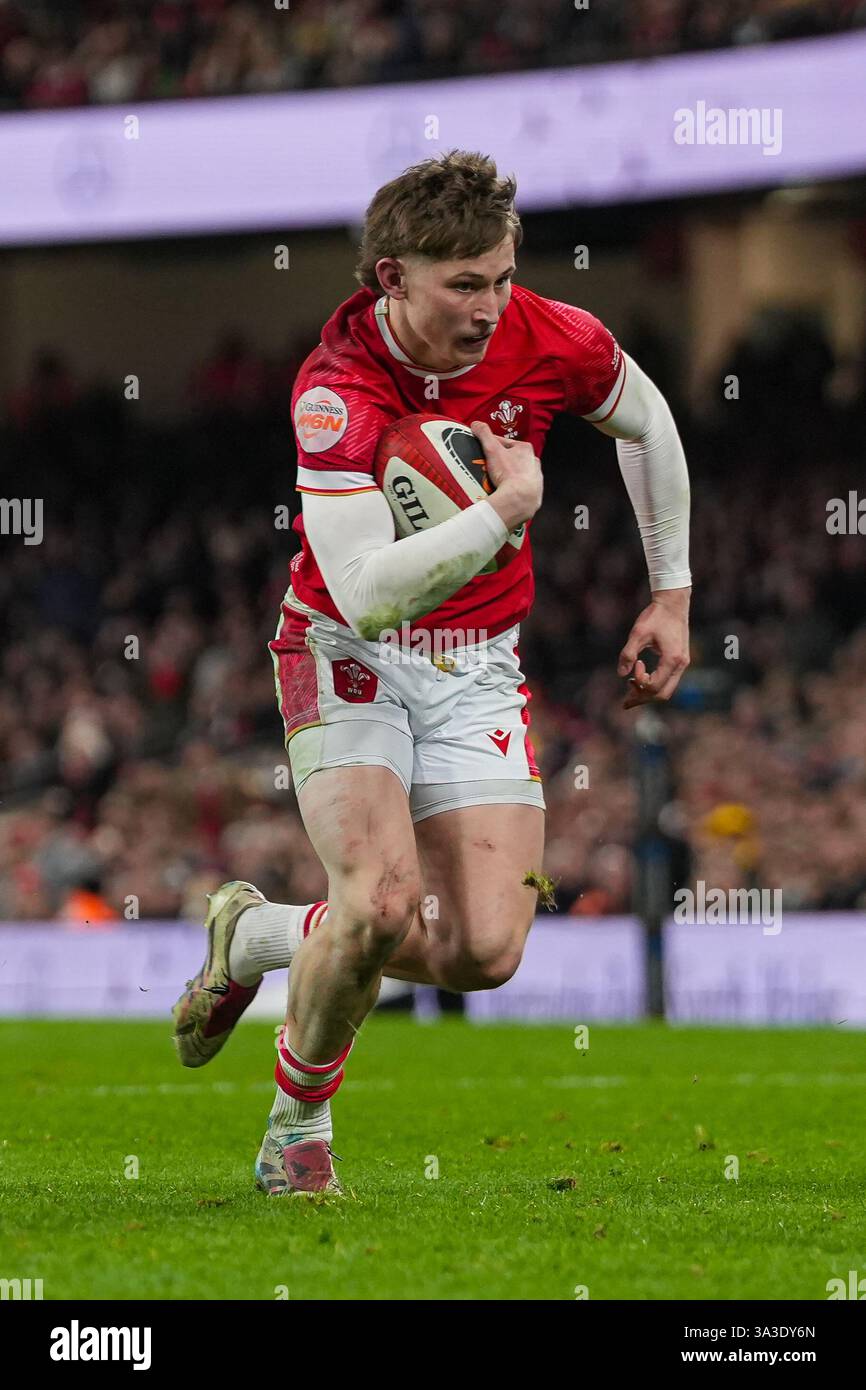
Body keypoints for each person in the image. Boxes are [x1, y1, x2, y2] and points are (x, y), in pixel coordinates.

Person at [171, 150, 692, 1195]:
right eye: (463, 283)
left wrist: (670, 590)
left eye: (500, 276)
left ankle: (258, 932)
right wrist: (502, 510)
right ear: (389, 278)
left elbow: (648, 424)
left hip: (475, 663)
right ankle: (297, 1131)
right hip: (346, 651)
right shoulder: (336, 387)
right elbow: (364, 590)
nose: (491, 305)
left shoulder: (550, 335)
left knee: (484, 951)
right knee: (376, 904)